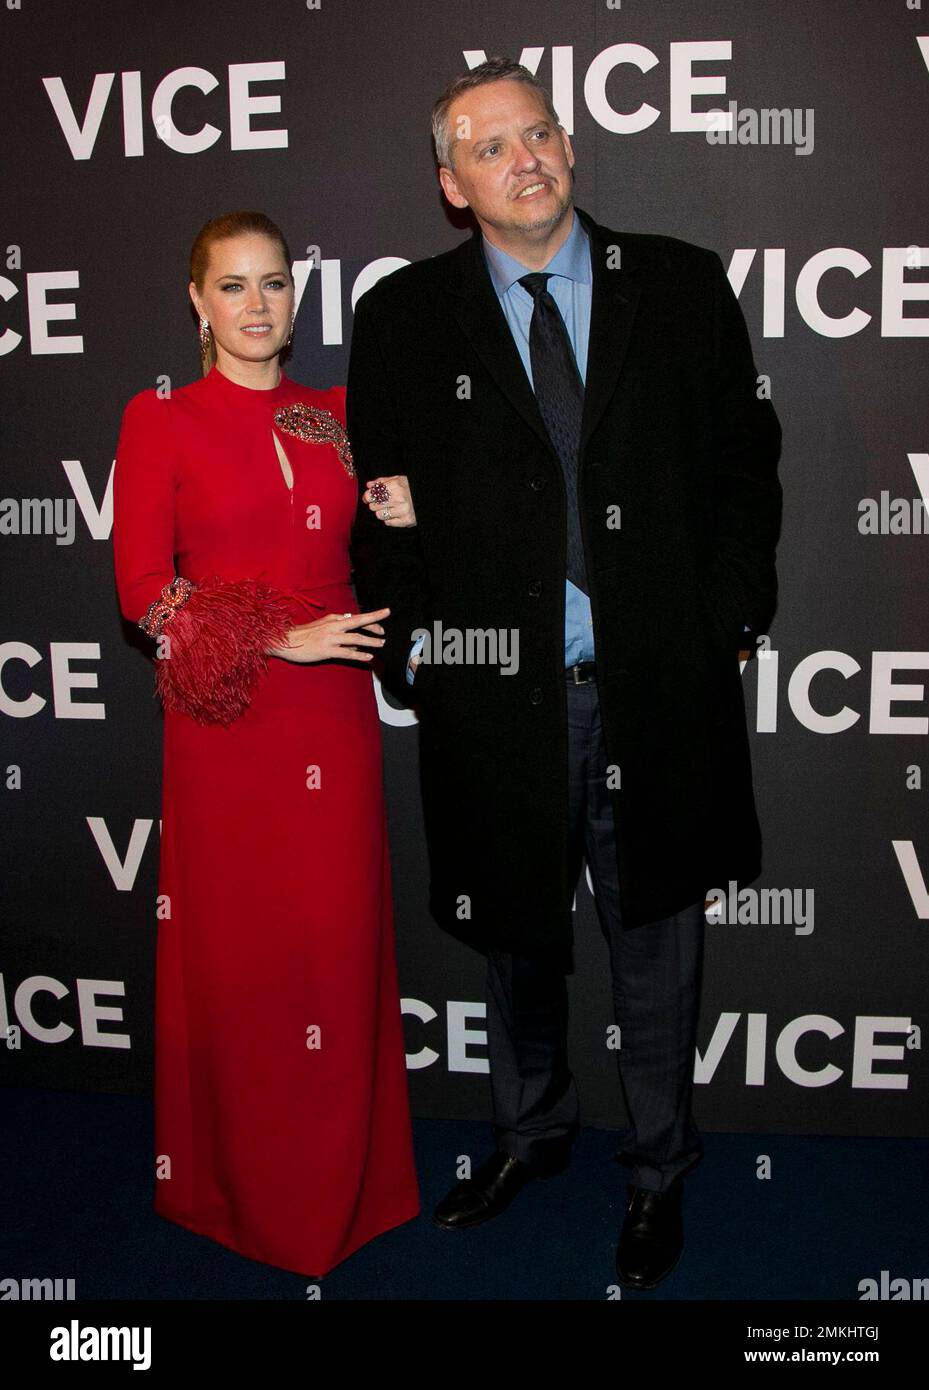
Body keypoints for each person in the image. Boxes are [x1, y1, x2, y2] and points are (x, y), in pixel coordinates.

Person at [349, 59, 782, 1290]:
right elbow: (383, 507)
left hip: (654, 689)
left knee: (655, 942)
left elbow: (746, 463)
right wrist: (426, 649)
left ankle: (657, 1172)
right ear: (450, 185)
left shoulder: (682, 286)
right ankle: (529, 1138)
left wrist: (725, 615)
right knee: (515, 941)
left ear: (570, 147)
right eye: (489, 147)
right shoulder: (403, 318)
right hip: (495, 701)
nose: (522, 157)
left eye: (537, 132)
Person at [112, 210, 419, 1278]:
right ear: (197, 303)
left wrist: (410, 507)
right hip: (230, 723)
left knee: (332, 954)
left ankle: (350, 1187)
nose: (256, 305)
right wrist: (283, 637)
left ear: (298, 296)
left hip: (335, 717)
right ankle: (243, 1193)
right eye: (232, 286)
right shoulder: (161, 419)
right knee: (243, 963)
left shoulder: (337, 414)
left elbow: (399, 533)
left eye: (274, 284)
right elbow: (146, 592)